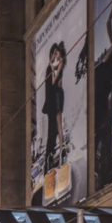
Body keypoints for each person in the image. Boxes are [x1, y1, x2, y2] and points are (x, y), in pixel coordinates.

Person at [42, 41, 66, 175]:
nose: (55, 55)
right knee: (54, 127)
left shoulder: (57, 66)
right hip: (52, 98)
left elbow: (54, 81)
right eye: (53, 53)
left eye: (56, 53)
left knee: (58, 124)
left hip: (57, 96)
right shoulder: (50, 67)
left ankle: (61, 149)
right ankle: (54, 153)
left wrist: (53, 67)